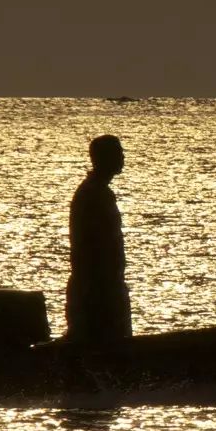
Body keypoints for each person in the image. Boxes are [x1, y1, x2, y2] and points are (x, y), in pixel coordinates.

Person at [65, 135, 133, 343]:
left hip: (102, 287)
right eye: (118, 153)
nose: (123, 157)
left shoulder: (96, 192)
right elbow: (95, 248)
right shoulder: (94, 194)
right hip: (98, 291)